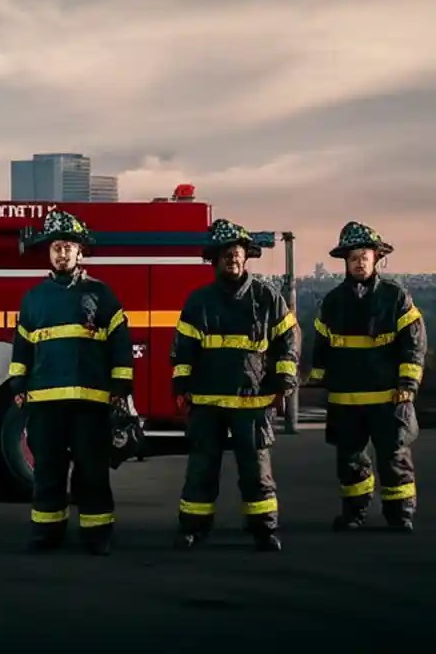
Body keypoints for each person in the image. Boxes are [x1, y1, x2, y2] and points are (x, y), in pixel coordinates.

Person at [8, 210, 133, 556]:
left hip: (91, 401)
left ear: (80, 252)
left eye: (68, 247)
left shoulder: (102, 296)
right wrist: (18, 386)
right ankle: (47, 534)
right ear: (48, 253)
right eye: (56, 248)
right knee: (47, 469)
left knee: (92, 471)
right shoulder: (34, 299)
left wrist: (120, 390)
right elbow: (22, 347)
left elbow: (120, 347)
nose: (62, 254)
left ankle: (97, 535)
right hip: (45, 401)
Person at [172, 219, 298, 552]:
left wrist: (283, 383)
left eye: (237, 253)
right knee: (201, 469)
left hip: (252, 402)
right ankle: (193, 529)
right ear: (216, 259)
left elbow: (287, 343)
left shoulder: (268, 299)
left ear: (247, 257)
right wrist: (182, 386)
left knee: (257, 472)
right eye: (226, 253)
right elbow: (183, 350)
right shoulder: (198, 301)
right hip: (207, 402)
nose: (233, 259)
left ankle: (264, 530)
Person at [309, 222, 425, 533]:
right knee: (350, 460)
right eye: (354, 257)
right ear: (345, 262)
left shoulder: (396, 297)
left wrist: (407, 385)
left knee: (394, 458)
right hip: (346, 397)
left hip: (389, 396)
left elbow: (413, 344)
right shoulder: (333, 302)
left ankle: (400, 514)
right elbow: (321, 343)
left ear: (376, 259)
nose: (360, 262)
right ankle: (354, 513)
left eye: (365, 256)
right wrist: (318, 377)